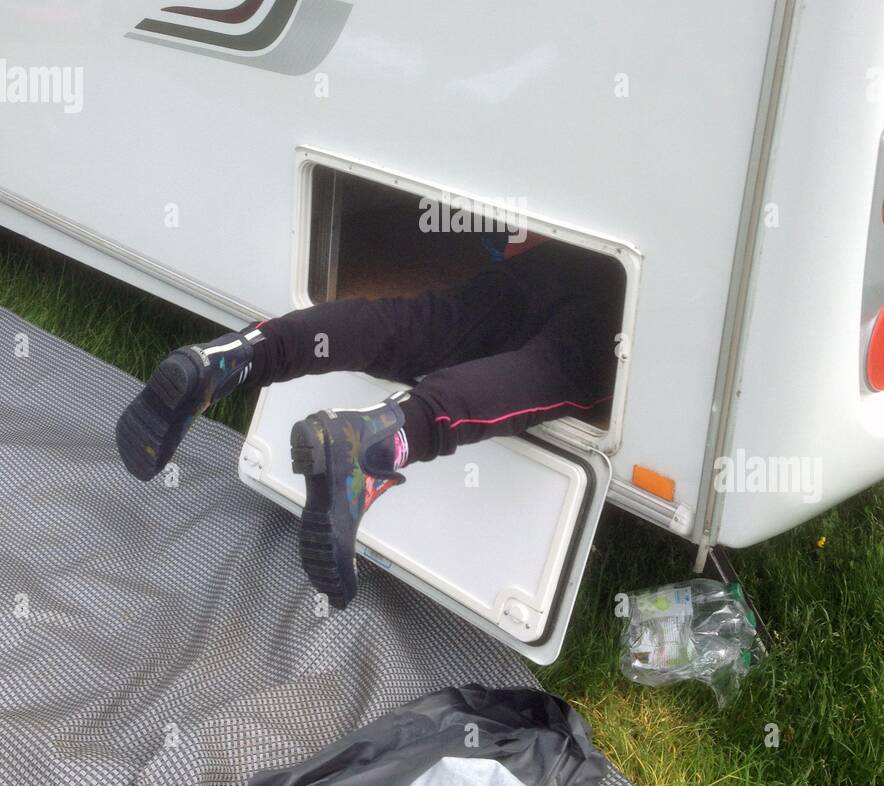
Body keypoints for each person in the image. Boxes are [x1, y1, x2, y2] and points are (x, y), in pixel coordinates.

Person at [115, 234, 623, 609]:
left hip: (557, 254)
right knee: (559, 369)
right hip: (618, 288)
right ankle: (375, 444)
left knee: (420, 323)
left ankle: (230, 357)